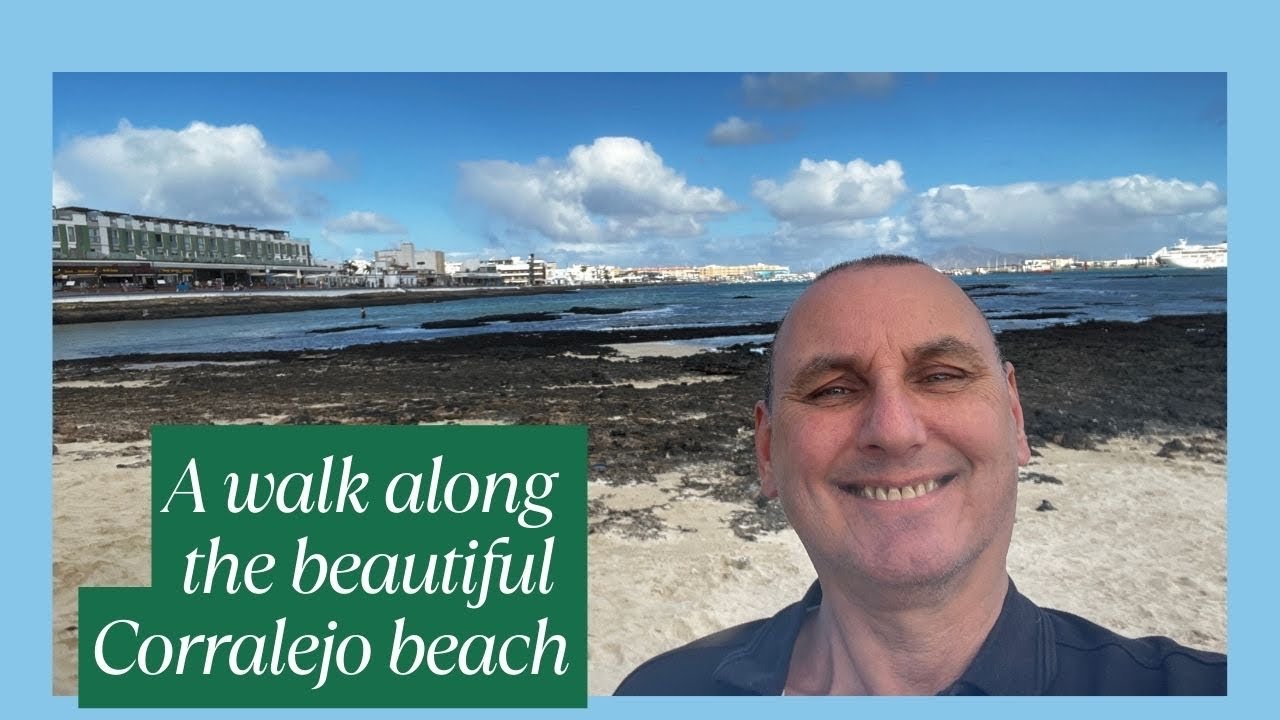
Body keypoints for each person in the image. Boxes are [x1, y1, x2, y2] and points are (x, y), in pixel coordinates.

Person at [615, 255, 1226, 696]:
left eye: (941, 376)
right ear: (768, 450)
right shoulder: (661, 693)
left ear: (1014, 418)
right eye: (833, 390)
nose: (895, 428)